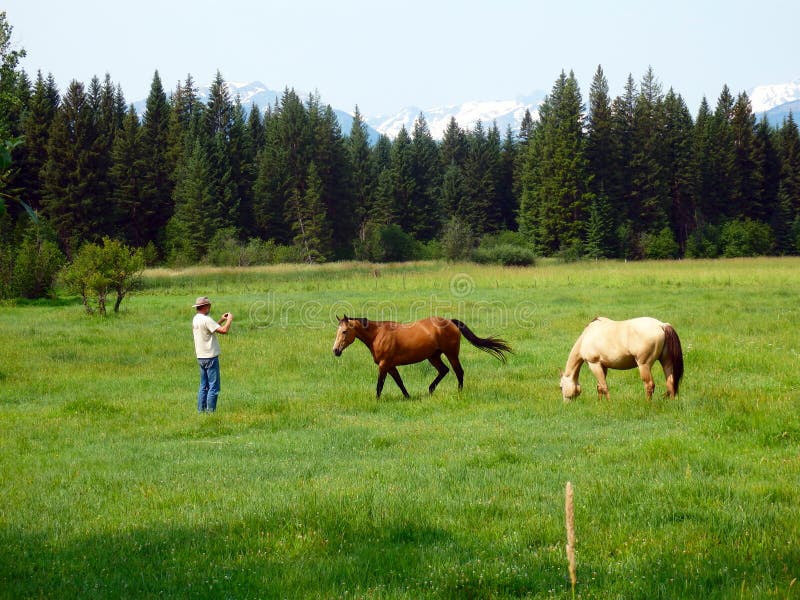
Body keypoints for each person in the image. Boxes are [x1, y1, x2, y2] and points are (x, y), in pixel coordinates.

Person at [191, 296, 233, 413]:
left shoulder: (196, 319)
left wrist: (221, 320)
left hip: (201, 357)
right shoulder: (206, 319)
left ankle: (201, 411)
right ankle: (211, 413)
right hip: (210, 357)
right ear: (204, 307)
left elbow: (211, 329)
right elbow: (224, 331)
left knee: (203, 386)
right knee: (213, 387)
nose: (210, 307)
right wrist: (229, 319)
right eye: (208, 305)